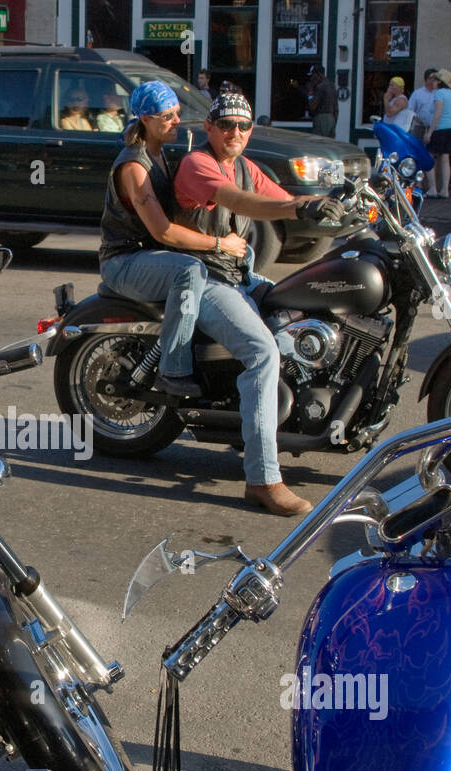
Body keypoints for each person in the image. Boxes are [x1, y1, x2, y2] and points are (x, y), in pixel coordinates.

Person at [173, 93, 344, 516]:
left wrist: (340, 209)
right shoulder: (198, 165)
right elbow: (245, 203)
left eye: (243, 127)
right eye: (226, 124)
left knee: (300, 312)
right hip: (205, 279)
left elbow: (279, 199)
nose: (235, 133)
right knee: (263, 353)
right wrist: (299, 205)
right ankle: (263, 479)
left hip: (239, 275)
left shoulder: (247, 168)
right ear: (209, 128)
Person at [98, 80, 227, 399]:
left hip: (150, 257)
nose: (177, 121)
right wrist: (218, 245)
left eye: (177, 113)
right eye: (167, 116)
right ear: (146, 119)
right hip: (123, 261)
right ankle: (173, 370)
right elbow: (162, 231)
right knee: (189, 271)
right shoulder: (134, 166)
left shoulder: (159, 154)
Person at [424, 69, 451, 198]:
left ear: (439, 82)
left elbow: (438, 113)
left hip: (440, 129)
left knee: (429, 156)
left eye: (435, 79)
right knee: (445, 158)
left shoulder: (439, 94)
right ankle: (445, 190)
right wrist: (449, 120)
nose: (432, 82)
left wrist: (430, 132)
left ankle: (433, 188)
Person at [306, 65, 337, 138]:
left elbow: (312, 106)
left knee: (319, 143)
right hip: (331, 118)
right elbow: (336, 107)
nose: (311, 78)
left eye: (313, 75)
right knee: (329, 144)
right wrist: (334, 121)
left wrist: (310, 92)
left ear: (318, 74)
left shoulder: (320, 87)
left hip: (321, 118)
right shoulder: (331, 85)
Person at [408, 69, 438, 145]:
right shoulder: (417, 93)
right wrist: (418, 120)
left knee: (433, 153)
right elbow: (410, 110)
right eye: (434, 79)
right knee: (417, 149)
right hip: (419, 127)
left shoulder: (439, 93)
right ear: (428, 79)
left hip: (434, 128)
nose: (436, 81)